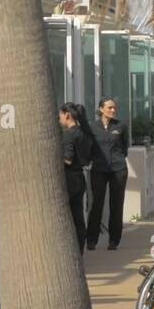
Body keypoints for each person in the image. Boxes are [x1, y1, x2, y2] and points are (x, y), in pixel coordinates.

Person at [87, 98, 129, 251]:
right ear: (101, 109)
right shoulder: (92, 127)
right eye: (110, 108)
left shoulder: (121, 126)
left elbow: (125, 147)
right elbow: (89, 147)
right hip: (98, 169)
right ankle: (91, 240)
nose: (113, 110)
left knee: (116, 205)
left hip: (118, 169)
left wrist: (117, 158)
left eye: (114, 108)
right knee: (96, 204)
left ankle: (114, 241)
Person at [60, 102, 94, 253]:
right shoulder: (84, 133)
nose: (59, 118)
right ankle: (80, 248)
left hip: (69, 178)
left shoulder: (69, 134)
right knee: (78, 216)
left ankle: (71, 249)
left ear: (67, 114)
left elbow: (67, 158)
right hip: (79, 178)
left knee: (69, 216)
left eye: (60, 115)